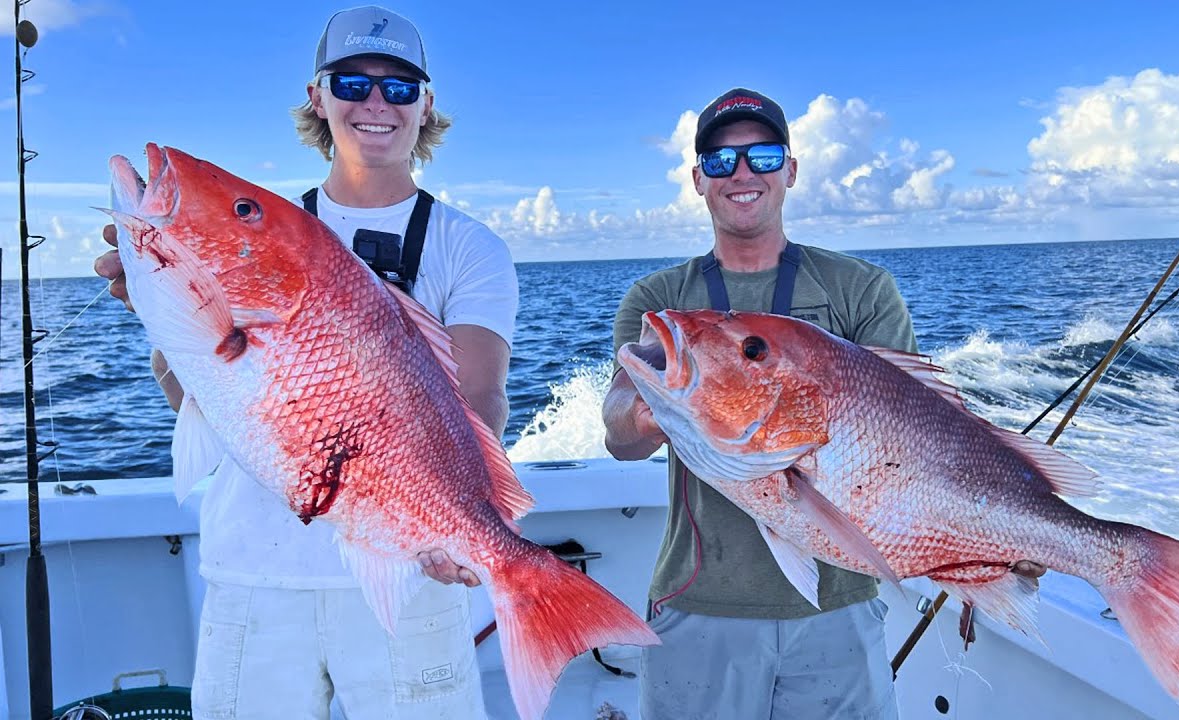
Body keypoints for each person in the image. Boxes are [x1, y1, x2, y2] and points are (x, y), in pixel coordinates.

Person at [93, 6, 516, 719]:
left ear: (427, 105)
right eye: (352, 81)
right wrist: (171, 319)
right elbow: (210, 404)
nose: (375, 102)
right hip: (252, 576)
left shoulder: (468, 246)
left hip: (411, 578)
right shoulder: (276, 228)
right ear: (318, 97)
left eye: (400, 86)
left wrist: (465, 525)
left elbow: (479, 394)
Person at [601, 87, 1043, 719]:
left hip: (843, 604)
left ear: (792, 168)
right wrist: (648, 412)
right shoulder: (661, 298)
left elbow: (919, 435)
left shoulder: (860, 288)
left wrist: (987, 534)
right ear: (698, 180)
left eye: (763, 154)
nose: (743, 173)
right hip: (700, 603)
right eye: (721, 161)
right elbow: (619, 432)